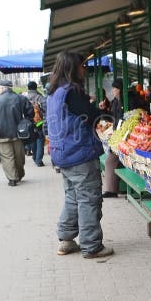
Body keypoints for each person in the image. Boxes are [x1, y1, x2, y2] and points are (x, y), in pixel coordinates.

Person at [47, 51, 113, 259]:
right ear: (72, 68)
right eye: (81, 66)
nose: (83, 69)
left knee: (73, 197)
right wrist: (105, 114)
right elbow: (91, 116)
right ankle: (92, 246)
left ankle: (66, 240)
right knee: (88, 198)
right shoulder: (72, 91)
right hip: (79, 153)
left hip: (62, 153)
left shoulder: (54, 92)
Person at [0, 79, 33, 186]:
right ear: (11, 88)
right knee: (19, 156)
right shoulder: (20, 98)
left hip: (1, 133)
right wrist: (25, 122)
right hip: (18, 133)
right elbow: (30, 112)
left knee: (6, 157)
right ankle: (20, 174)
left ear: (2, 88)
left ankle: (12, 178)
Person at [102, 78, 124, 198]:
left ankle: (112, 190)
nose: (113, 91)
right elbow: (111, 117)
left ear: (120, 90)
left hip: (125, 135)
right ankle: (113, 189)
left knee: (110, 161)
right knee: (110, 160)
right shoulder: (115, 101)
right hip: (118, 134)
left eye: (115, 89)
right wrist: (104, 109)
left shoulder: (127, 100)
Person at [25, 81, 47, 167]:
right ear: (36, 87)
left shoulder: (25, 98)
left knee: (32, 139)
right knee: (40, 139)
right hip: (39, 122)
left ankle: (34, 157)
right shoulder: (39, 97)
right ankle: (38, 160)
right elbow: (45, 109)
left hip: (28, 122)